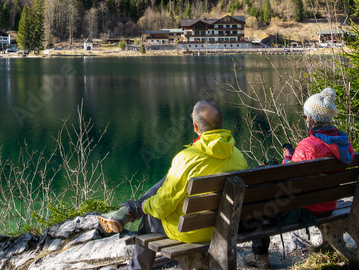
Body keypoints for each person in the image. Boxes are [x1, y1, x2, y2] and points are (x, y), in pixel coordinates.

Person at [97, 100, 248, 270]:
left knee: (150, 214)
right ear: (221, 124)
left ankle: (133, 216)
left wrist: (146, 205)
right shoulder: (238, 156)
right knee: (171, 177)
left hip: (192, 231)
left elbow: (162, 207)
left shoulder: (186, 158)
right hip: (225, 228)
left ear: (196, 127)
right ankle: (131, 209)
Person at [243, 87, 353, 269]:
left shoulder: (308, 146)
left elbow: (290, 179)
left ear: (312, 119)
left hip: (308, 209)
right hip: (329, 204)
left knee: (259, 202)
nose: (305, 120)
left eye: (305, 117)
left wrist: (287, 158)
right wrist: (294, 157)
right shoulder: (344, 143)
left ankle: (260, 258)